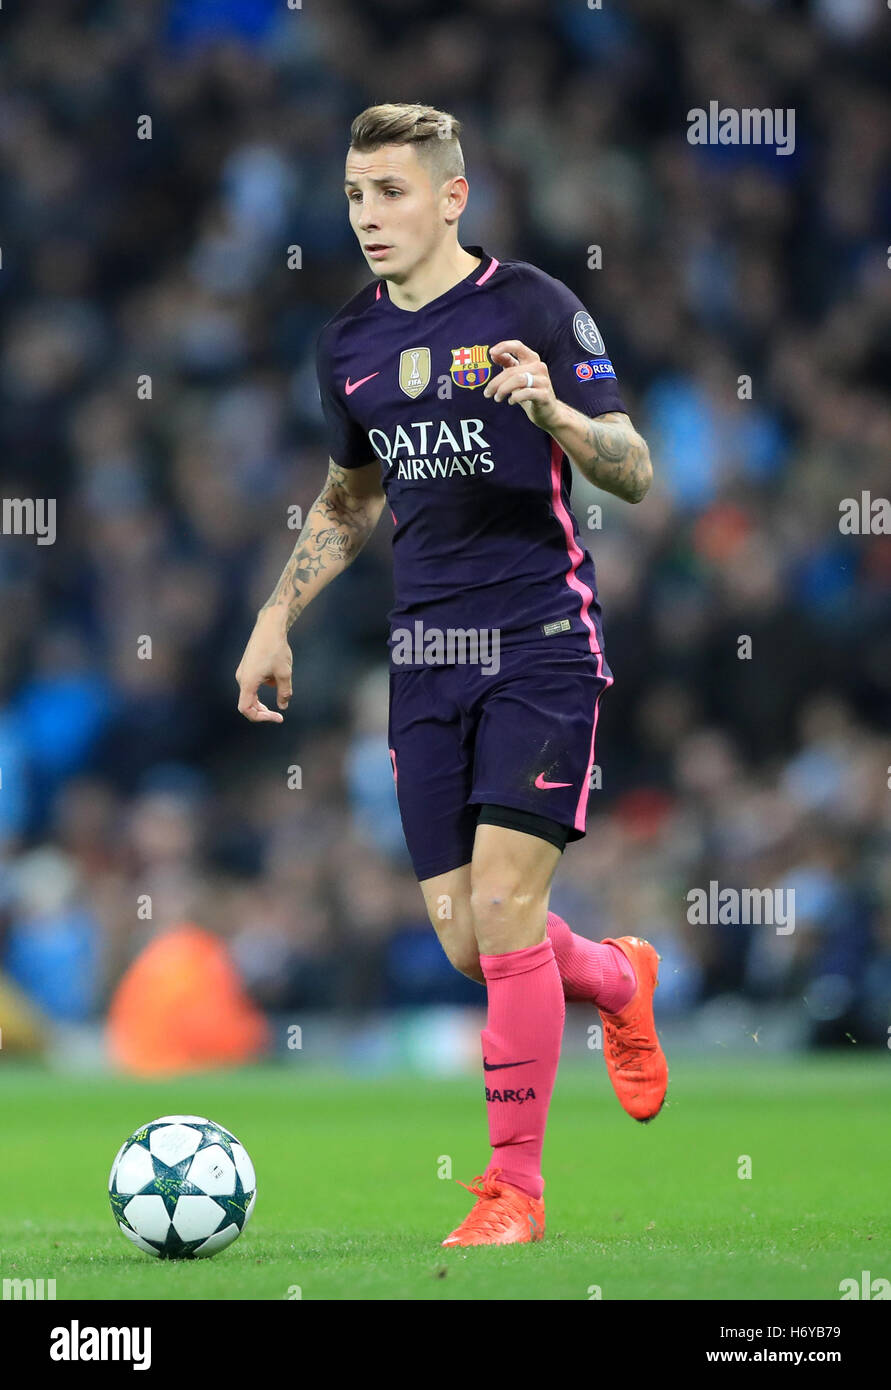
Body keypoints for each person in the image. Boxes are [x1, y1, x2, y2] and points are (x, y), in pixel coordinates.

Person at [236, 103, 668, 1247]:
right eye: (353, 194)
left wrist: (554, 410)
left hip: (538, 642)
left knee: (504, 905)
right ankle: (620, 979)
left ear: (451, 197)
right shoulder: (348, 343)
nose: (368, 215)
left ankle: (513, 1192)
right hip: (423, 659)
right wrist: (276, 616)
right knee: (471, 944)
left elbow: (633, 469)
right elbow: (351, 493)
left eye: (389, 191)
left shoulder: (533, 306)